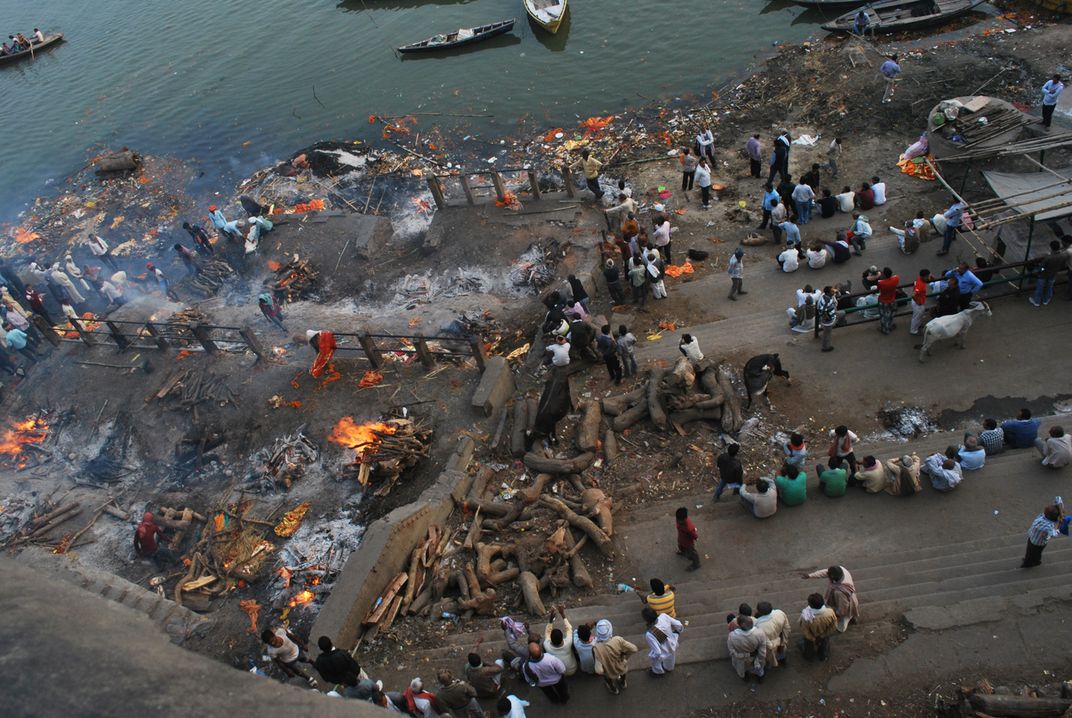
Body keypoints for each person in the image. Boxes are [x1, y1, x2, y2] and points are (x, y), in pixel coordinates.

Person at [804, 565, 859, 632]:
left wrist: (836, 615)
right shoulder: (842, 570)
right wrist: (810, 575)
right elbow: (825, 572)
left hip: (846, 604)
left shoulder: (840, 592)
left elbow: (843, 608)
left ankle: (850, 617)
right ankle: (852, 616)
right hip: (848, 598)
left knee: (842, 625)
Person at [590, 621, 638, 694]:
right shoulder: (618, 639)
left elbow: (599, 671)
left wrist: (605, 669)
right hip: (620, 663)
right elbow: (634, 649)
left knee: (608, 678)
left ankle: (613, 689)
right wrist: (625, 657)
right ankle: (623, 683)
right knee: (622, 672)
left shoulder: (596, 648)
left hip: (609, 670)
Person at [643, 607, 683, 676]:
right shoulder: (663, 616)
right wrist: (679, 631)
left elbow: (657, 652)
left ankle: (658, 672)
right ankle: (669, 667)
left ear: (646, 620)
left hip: (663, 649)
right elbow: (678, 624)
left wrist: (652, 656)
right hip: (672, 643)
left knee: (655, 660)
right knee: (671, 656)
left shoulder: (649, 634)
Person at [727, 615, 767, 683]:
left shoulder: (732, 636)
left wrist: (746, 655)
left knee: (743, 670)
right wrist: (760, 659)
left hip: (742, 660)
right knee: (758, 669)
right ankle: (759, 678)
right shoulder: (760, 633)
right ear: (752, 624)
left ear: (738, 625)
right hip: (755, 657)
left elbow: (732, 652)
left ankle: (746, 678)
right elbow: (762, 650)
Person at [798, 593, 838, 661]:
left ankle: (809, 656)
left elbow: (804, 630)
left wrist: (813, 639)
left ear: (810, 605)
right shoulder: (830, 612)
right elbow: (833, 626)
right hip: (824, 634)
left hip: (811, 635)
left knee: (808, 646)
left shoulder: (806, 616)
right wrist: (823, 635)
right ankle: (823, 655)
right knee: (824, 644)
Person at [1024, 503, 1063, 567]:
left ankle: (1028, 563)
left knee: (1032, 552)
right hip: (1039, 542)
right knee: (1036, 553)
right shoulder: (1049, 525)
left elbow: (1054, 534)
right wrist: (1059, 524)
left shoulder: (1042, 517)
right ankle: (1035, 561)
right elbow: (1055, 534)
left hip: (1035, 540)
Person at [542, 606, 577, 676]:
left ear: (551, 639)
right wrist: (562, 614)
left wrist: (550, 620)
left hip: (559, 673)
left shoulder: (546, 645)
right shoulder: (568, 642)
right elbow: (569, 629)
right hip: (572, 670)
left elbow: (547, 633)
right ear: (562, 638)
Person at [754, 602, 791, 669]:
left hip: (769, 646)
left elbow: (760, 640)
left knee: (769, 657)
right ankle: (783, 660)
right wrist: (783, 641)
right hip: (780, 638)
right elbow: (787, 628)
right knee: (781, 652)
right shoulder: (780, 613)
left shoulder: (758, 625)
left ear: (759, 612)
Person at [1030, 240, 1066, 307]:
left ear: (1051, 247)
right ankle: (1046, 300)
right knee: (1049, 288)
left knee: (1039, 288)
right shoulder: (1062, 256)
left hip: (1043, 275)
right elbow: (1062, 265)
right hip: (1053, 274)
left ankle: (1036, 301)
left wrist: (1039, 269)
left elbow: (1042, 268)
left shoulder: (1048, 258)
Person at [876, 267, 900, 334]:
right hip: (892, 300)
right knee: (891, 314)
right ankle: (889, 325)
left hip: (883, 301)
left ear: (884, 274)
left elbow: (878, 288)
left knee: (883, 316)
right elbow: (896, 276)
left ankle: (885, 329)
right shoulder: (896, 279)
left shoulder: (881, 283)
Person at [675, 506, 700, 571]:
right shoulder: (678, 521)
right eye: (677, 519)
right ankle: (683, 552)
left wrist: (696, 537)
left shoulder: (689, 527)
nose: (678, 522)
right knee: (680, 546)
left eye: (680, 521)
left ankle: (696, 564)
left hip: (688, 542)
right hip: (681, 538)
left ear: (684, 519)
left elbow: (693, 534)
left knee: (692, 553)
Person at [909, 269, 931, 335]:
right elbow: (913, 295)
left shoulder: (919, 278)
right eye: (927, 276)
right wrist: (918, 302)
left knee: (919, 316)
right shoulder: (920, 285)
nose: (928, 278)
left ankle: (918, 326)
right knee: (916, 318)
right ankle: (913, 331)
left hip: (919, 303)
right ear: (923, 276)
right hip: (918, 304)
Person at [817, 285, 839, 352]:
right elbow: (823, 312)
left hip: (833, 315)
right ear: (828, 293)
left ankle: (841, 322)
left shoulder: (828, 296)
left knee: (842, 313)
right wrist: (827, 318)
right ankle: (825, 348)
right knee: (827, 335)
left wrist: (836, 291)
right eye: (832, 291)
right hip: (828, 321)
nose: (834, 292)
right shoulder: (825, 302)